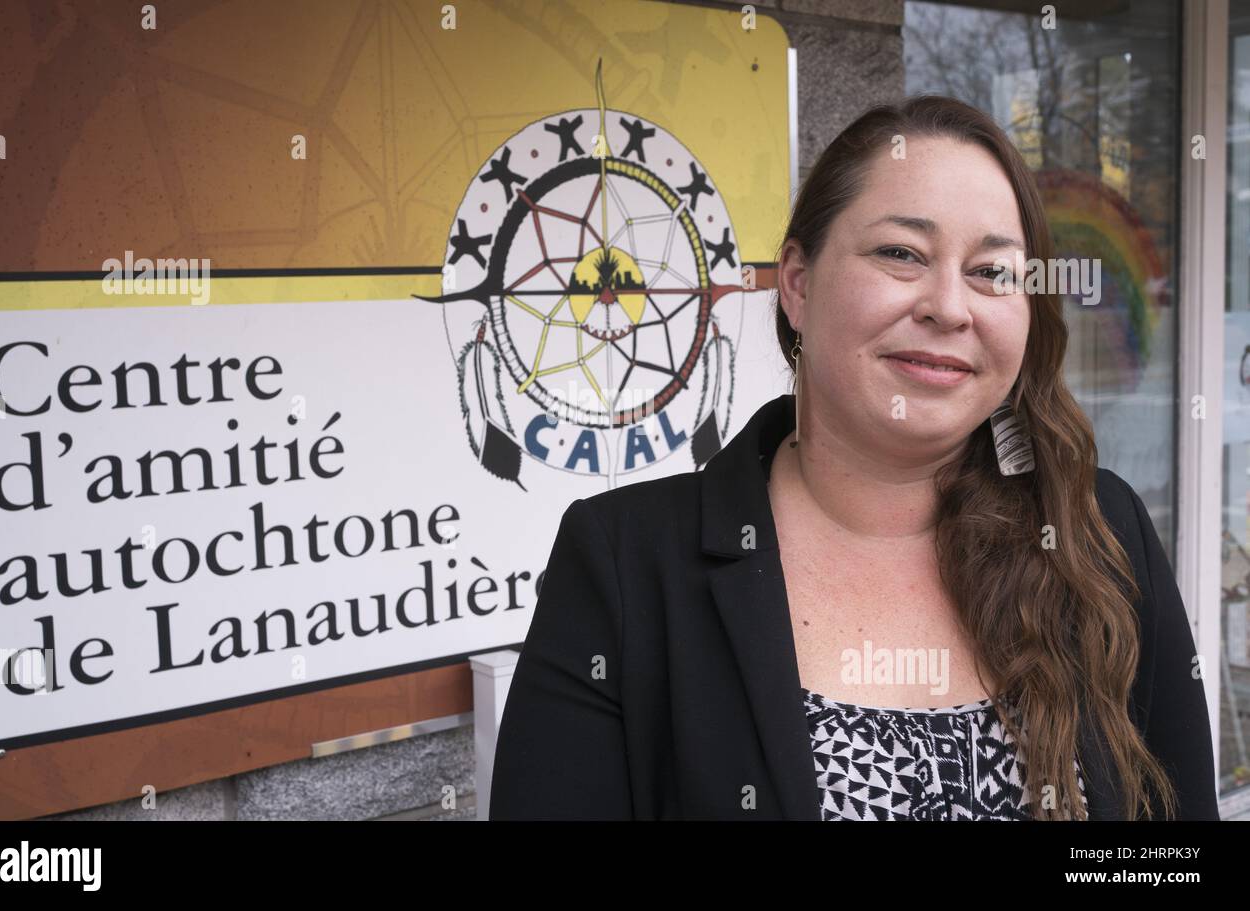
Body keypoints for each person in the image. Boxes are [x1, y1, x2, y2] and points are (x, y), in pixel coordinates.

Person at [487, 94, 1219, 821]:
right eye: (902, 253)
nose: (949, 306)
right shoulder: (624, 564)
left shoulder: (1097, 527)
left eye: (992, 272)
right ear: (799, 285)